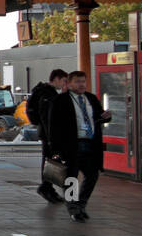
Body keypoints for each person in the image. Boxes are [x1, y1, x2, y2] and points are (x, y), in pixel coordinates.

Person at [46, 70, 112, 223]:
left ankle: (81, 204)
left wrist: (105, 117)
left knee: (92, 175)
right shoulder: (60, 101)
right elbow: (53, 125)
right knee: (71, 178)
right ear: (69, 84)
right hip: (71, 145)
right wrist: (55, 148)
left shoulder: (91, 98)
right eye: (77, 82)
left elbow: (97, 117)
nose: (81, 85)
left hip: (90, 143)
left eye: (83, 81)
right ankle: (73, 208)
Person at [27, 68, 68, 205]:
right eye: (63, 81)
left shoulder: (48, 93)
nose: (64, 84)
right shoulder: (47, 94)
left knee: (52, 161)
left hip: (49, 134)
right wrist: (51, 138)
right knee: (51, 161)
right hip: (49, 134)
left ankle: (48, 188)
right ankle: (46, 188)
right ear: (56, 79)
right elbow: (46, 118)